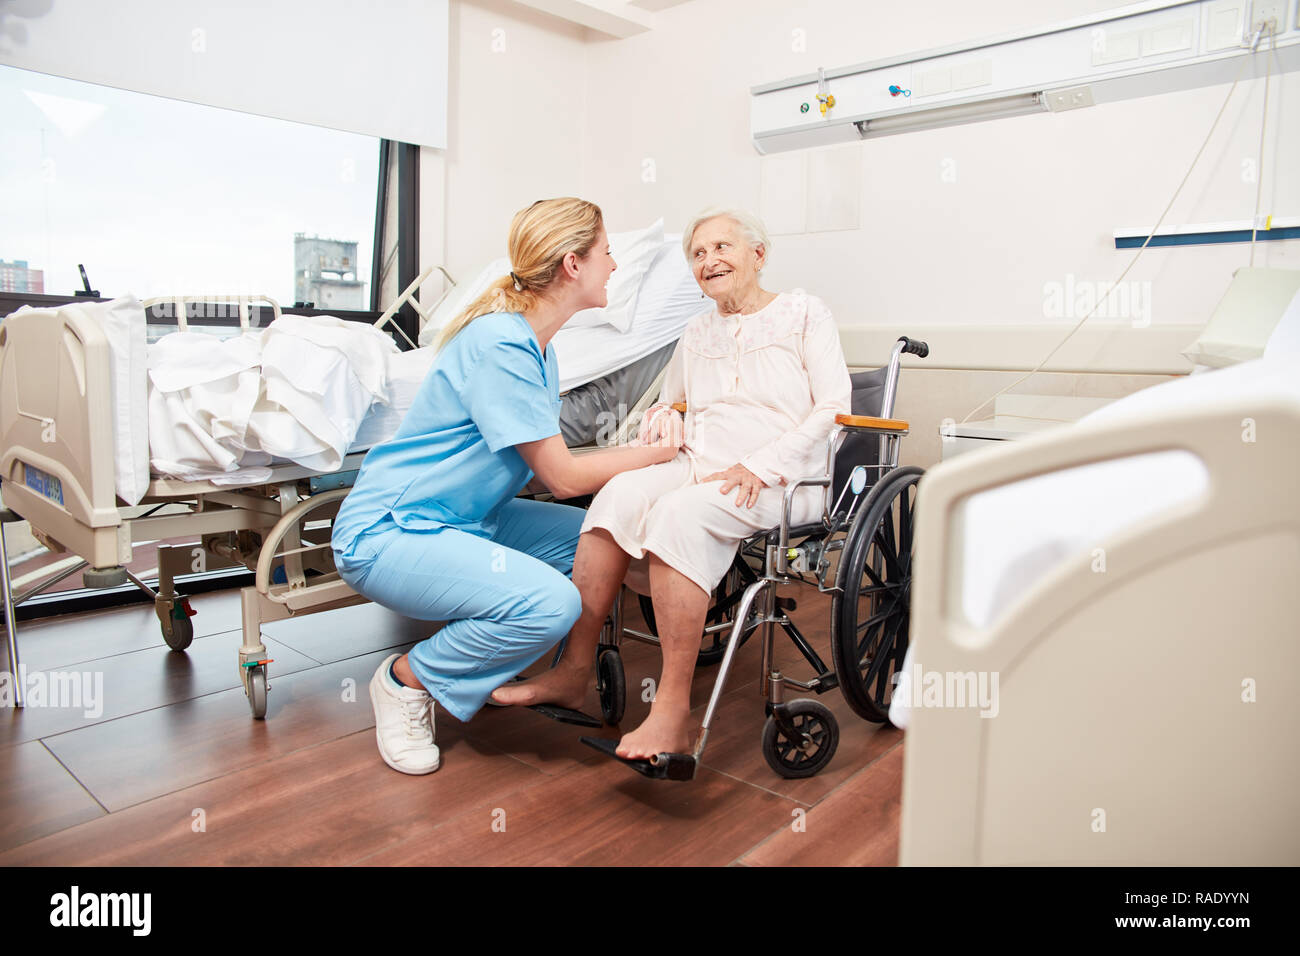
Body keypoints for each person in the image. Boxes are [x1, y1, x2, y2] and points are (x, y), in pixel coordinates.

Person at [330, 198, 681, 775]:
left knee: (607, 535)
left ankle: (567, 674)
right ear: (573, 264)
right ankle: (405, 681)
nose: (614, 265)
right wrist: (660, 452)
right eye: (607, 253)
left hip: (471, 519)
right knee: (551, 604)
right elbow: (562, 477)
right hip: (391, 531)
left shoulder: (540, 345)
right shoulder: (501, 344)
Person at [490, 207, 852, 760]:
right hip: (700, 462)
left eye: (722, 248)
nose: (709, 261)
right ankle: (573, 669)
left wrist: (761, 464)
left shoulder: (804, 314)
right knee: (616, 497)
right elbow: (672, 401)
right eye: (698, 254)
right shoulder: (697, 328)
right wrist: (667, 418)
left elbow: (834, 409)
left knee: (679, 515)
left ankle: (673, 712)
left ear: (758, 255)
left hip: (781, 476)